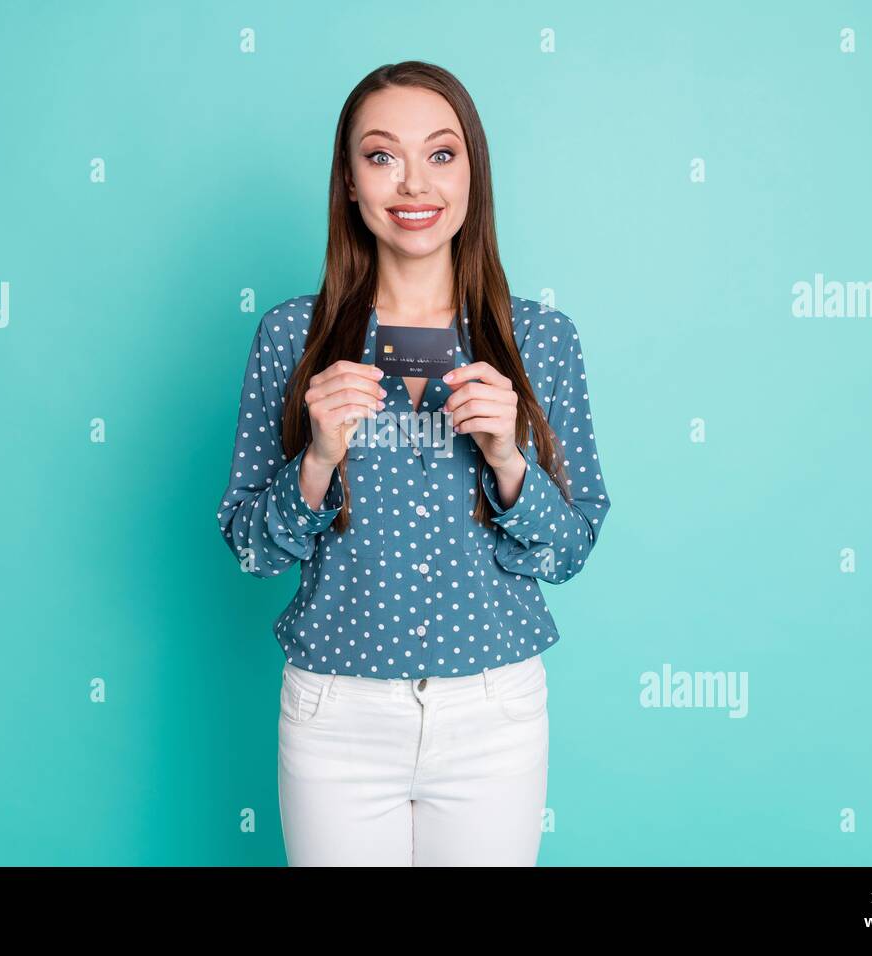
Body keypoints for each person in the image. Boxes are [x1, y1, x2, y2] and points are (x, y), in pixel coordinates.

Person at [216, 60, 609, 866]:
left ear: (472, 176)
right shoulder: (291, 338)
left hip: (493, 709)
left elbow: (570, 549)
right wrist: (317, 459)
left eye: (440, 153)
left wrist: (507, 461)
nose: (412, 182)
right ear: (350, 183)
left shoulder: (541, 340)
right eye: (381, 155)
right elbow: (250, 550)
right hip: (336, 714)